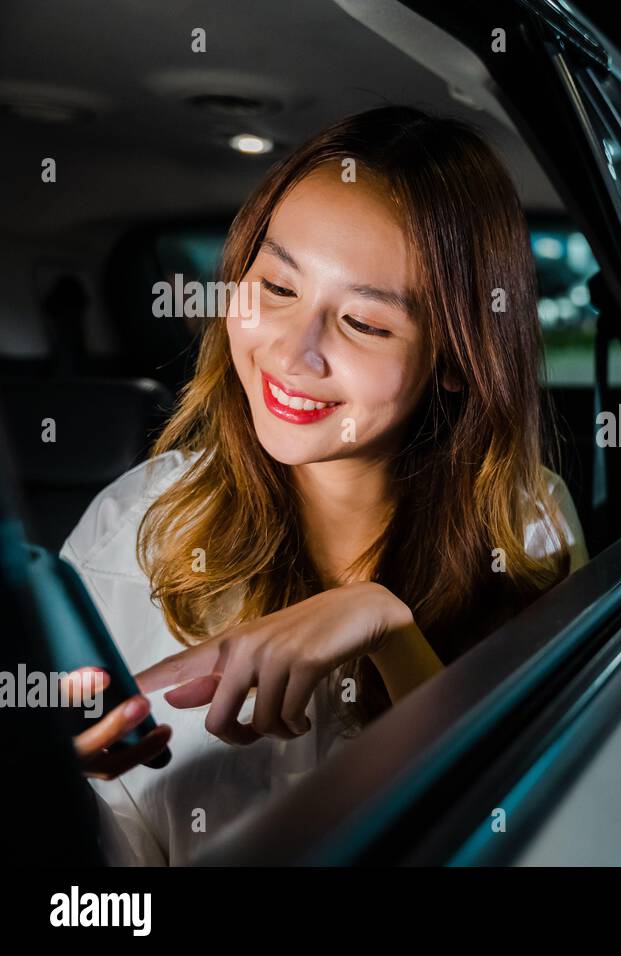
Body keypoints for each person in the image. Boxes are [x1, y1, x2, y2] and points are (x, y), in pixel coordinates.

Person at [58, 107, 587, 865]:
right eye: (275, 287)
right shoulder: (134, 527)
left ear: (454, 359)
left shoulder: (529, 523)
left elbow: (527, 824)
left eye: (366, 324)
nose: (293, 353)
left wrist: (386, 627)